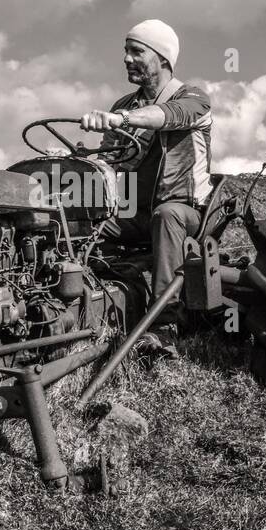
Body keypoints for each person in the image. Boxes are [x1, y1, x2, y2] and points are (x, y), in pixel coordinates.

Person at [80, 19, 213, 343]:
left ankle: (163, 327)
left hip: (187, 213)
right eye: (126, 51)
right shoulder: (124, 105)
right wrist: (83, 157)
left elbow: (167, 115)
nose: (126, 58)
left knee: (166, 215)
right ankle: (80, 299)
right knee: (78, 222)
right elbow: (108, 159)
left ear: (163, 58)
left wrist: (120, 120)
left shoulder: (193, 98)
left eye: (136, 51)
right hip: (133, 213)